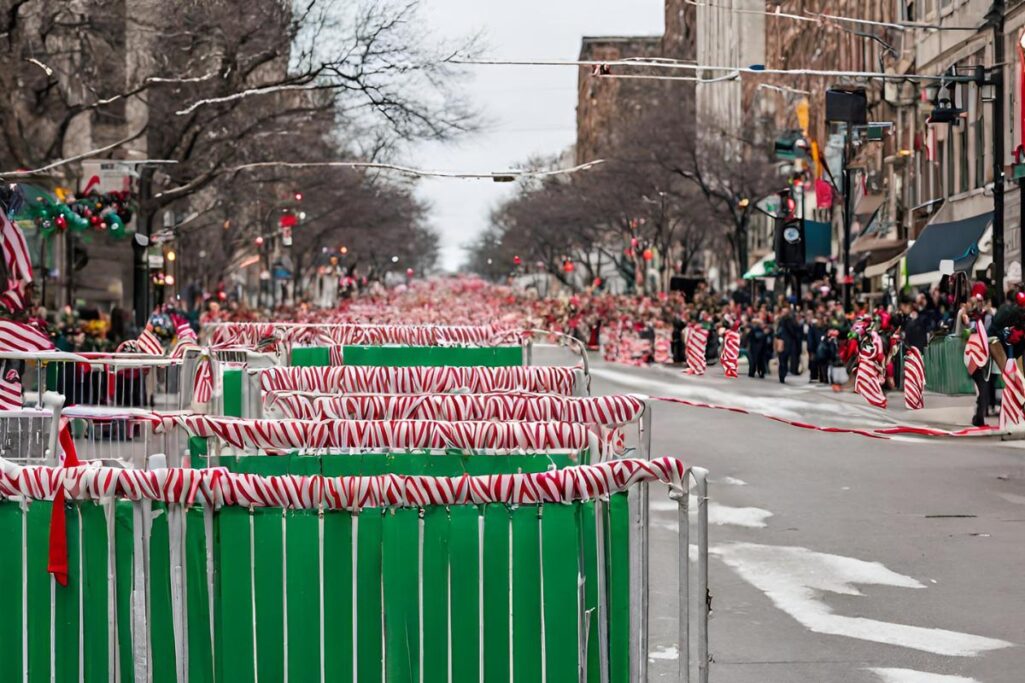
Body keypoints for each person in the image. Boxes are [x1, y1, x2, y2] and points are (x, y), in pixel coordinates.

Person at [775, 306, 803, 383]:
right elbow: (794, 332)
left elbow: (778, 332)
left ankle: (782, 374)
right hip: (786, 342)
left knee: (782, 359)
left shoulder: (782, 321)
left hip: (784, 342)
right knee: (784, 359)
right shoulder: (789, 321)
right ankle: (783, 374)